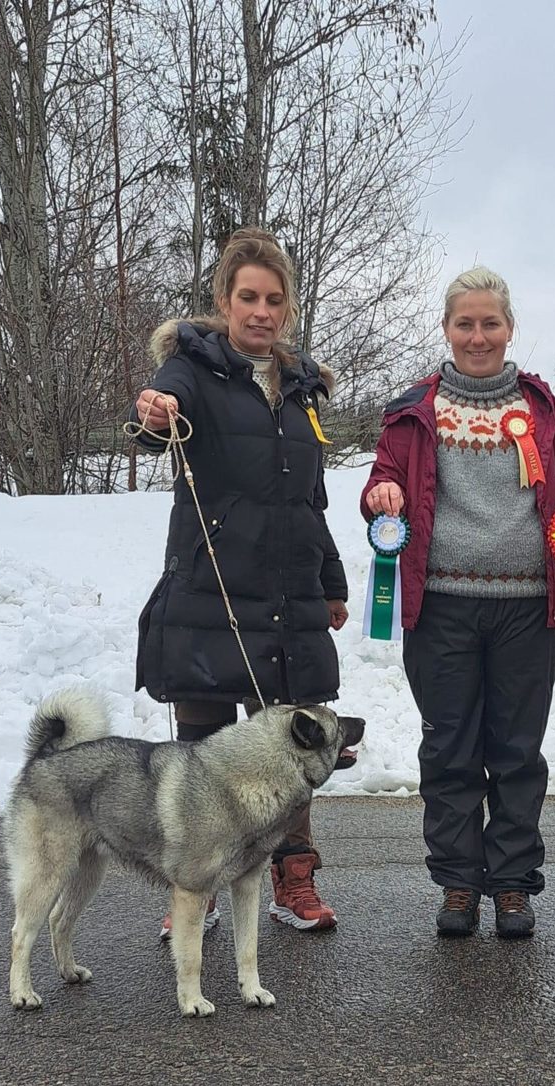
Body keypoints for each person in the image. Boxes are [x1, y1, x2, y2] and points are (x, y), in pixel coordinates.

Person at [360, 267, 555, 939]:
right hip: (440, 606)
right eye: (465, 323)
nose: (478, 336)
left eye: (490, 323)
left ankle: (510, 885)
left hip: (526, 609)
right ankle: (456, 883)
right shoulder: (411, 408)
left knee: (517, 751)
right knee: (449, 749)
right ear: (446, 329)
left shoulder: (542, 407)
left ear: (509, 329)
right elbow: (384, 478)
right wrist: (380, 497)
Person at [131, 226, 347, 938]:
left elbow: (311, 501)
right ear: (223, 300)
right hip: (211, 589)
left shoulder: (303, 388)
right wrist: (153, 413)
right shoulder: (192, 367)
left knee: (293, 748)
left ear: (287, 308)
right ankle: (196, 891)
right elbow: (159, 411)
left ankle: (294, 879)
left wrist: (333, 580)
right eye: (247, 297)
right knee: (202, 751)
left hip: (289, 596)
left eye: (274, 300)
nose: (260, 311)